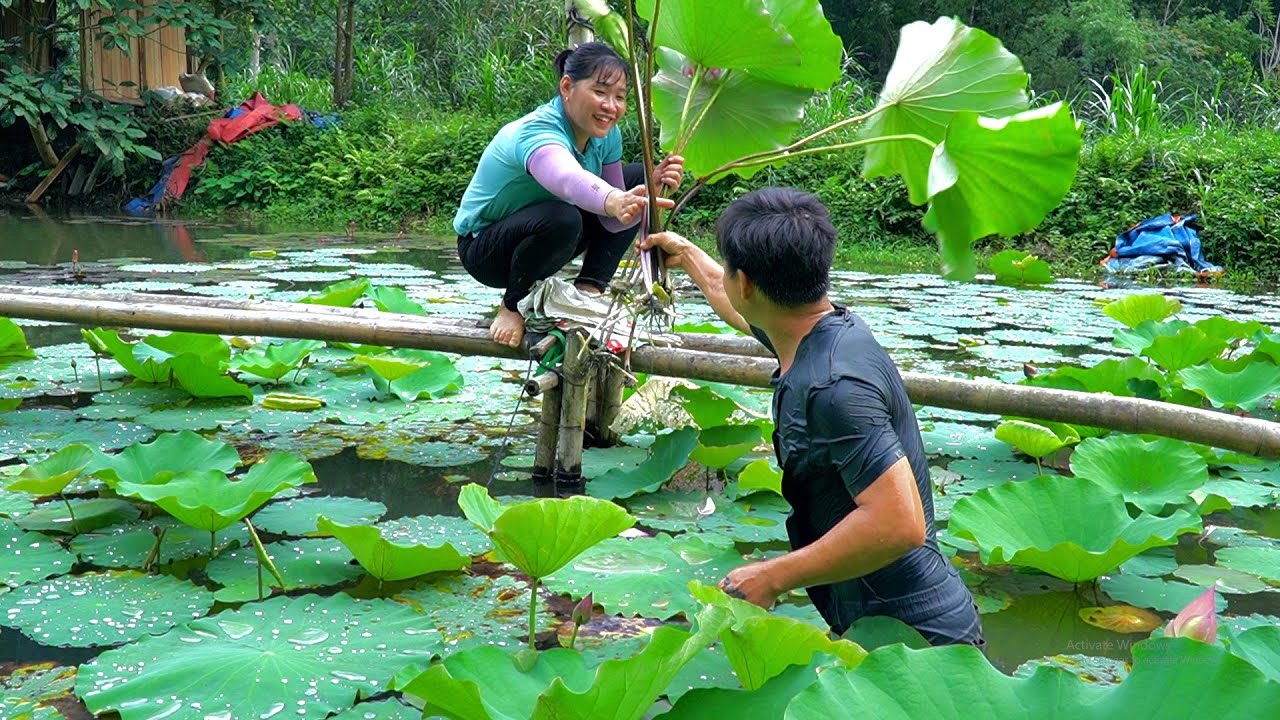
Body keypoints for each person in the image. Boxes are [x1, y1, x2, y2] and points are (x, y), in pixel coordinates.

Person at [641, 188, 984, 647]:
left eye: (727, 271)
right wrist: (686, 254)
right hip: (878, 619)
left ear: (745, 283)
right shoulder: (822, 328)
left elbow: (900, 523)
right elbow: (744, 314)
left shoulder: (834, 389)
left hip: (917, 637)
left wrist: (773, 576)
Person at [453, 42, 684, 348]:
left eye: (619, 97)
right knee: (563, 216)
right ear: (567, 86)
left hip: (547, 235)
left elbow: (613, 223)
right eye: (600, 93)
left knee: (636, 178)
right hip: (486, 250)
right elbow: (565, 178)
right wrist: (615, 200)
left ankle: (589, 289)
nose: (610, 107)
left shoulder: (606, 135)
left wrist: (647, 193)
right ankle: (512, 306)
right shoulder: (538, 131)